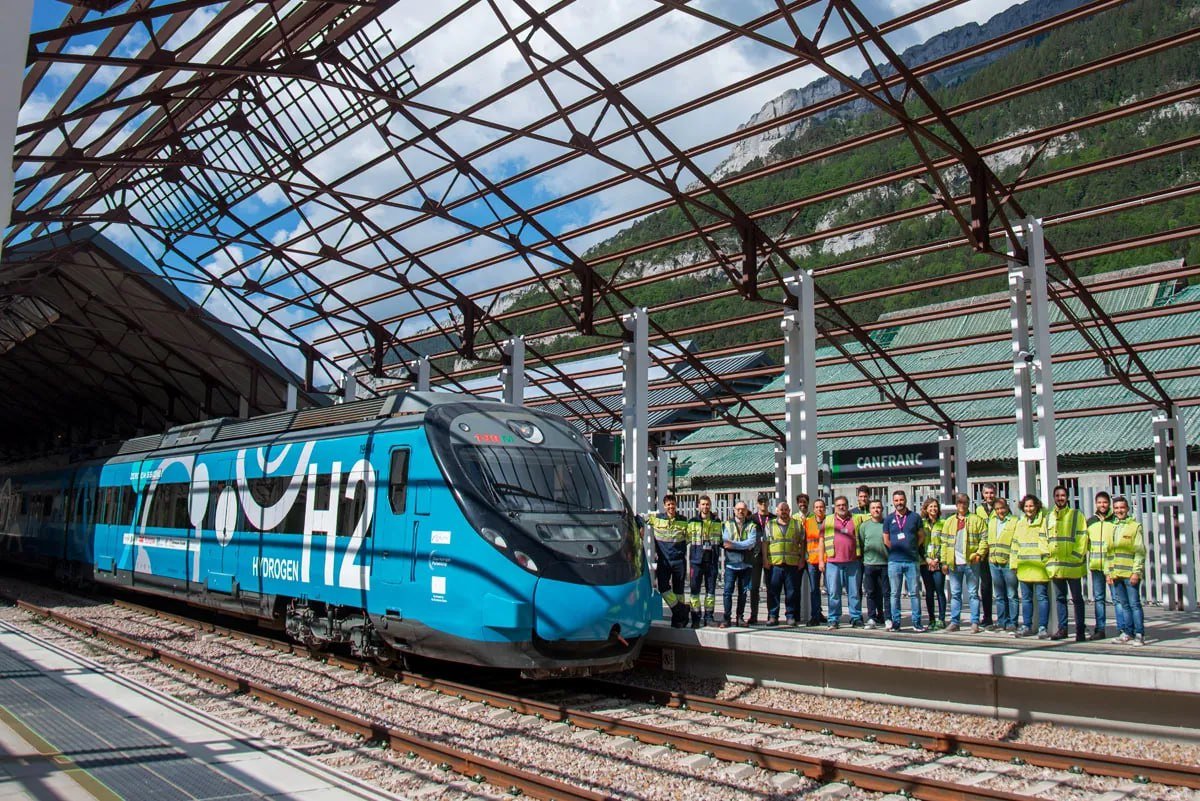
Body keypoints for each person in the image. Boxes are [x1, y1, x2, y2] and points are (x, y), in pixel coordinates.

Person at [941, 492, 988, 633]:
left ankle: (975, 622)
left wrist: (979, 553)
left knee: (973, 593)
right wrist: (944, 562)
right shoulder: (949, 521)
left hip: (971, 562)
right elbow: (944, 543)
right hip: (954, 563)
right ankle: (955, 622)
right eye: (960, 503)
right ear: (956, 505)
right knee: (955, 594)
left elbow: (985, 539)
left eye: (965, 503)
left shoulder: (976, 520)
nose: (962, 505)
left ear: (968, 504)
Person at [1046, 484, 1088, 642]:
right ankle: (1062, 629)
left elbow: (1082, 537)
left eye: (1063, 495)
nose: (1060, 498)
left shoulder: (1077, 515)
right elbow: (1044, 538)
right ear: (1054, 497)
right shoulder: (1049, 517)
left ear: (1068, 497)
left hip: (1072, 566)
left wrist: (1076, 557)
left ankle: (1080, 630)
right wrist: (1046, 558)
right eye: (1057, 496)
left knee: (1077, 599)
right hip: (1056, 566)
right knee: (1060, 598)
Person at [1106, 496, 1146, 646]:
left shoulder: (1135, 526)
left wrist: (1136, 572)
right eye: (1116, 508)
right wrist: (1108, 572)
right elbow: (1108, 552)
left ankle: (1139, 633)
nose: (1119, 511)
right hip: (1116, 574)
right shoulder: (1112, 527)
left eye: (1122, 508)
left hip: (1130, 574)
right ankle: (1127, 632)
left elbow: (1140, 552)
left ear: (1127, 509)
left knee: (1135, 604)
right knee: (1124, 605)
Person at [884, 490, 925, 632]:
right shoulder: (889, 519)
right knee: (894, 593)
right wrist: (896, 549)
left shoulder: (915, 517)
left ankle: (916, 622)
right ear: (892, 502)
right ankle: (896, 623)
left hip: (912, 560)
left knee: (914, 593)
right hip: (894, 561)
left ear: (906, 500)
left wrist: (912, 547)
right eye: (896, 500)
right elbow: (886, 539)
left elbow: (921, 536)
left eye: (901, 500)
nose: (899, 503)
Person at [647, 494, 690, 628]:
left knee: (679, 591)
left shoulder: (684, 520)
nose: (671, 507)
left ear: (676, 505)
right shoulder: (656, 519)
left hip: (679, 561)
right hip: (664, 561)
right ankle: (681, 611)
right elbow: (639, 518)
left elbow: (688, 538)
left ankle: (678, 620)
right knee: (663, 588)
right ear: (665, 506)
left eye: (673, 504)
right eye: (668, 504)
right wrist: (641, 528)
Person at [1012, 494, 1051, 638]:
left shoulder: (1044, 522)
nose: (1029, 509)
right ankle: (1027, 625)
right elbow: (1015, 544)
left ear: (1037, 507)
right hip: (1024, 567)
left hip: (1040, 567)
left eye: (1031, 506)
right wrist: (1013, 563)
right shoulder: (1021, 523)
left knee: (1042, 598)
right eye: (1026, 506)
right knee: (1026, 599)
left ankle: (1042, 627)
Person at [823, 495, 863, 629]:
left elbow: (872, 515)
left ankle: (856, 617)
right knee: (834, 592)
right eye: (839, 505)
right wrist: (821, 561)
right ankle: (833, 618)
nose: (841, 507)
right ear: (835, 507)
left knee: (854, 592)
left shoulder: (856, 519)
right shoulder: (828, 520)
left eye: (844, 504)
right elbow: (821, 540)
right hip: (833, 562)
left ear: (848, 505)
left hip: (853, 562)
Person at [1086, 492, 1121, 641]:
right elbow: (1086, 543)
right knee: (1099, 599)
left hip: (1112, 567)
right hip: (1096, 566)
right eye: (1100, 502)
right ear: (1096, 504)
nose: (1102, 505)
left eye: (1105, 502)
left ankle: (1122, 629)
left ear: (1109, 504)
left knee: (1117, 598)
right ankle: (1100, 629)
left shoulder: (1115, 521)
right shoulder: (1090, 522)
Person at [764, 501, 804, 625]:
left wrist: (802, 559)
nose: (784, 512)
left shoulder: (797, 524)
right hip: (775, 564)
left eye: (786, 509)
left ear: (790, 510)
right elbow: (765, 543)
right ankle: (773, 616)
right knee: (773, 591)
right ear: (777, 511)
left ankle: (790, 616)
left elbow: (802, 543)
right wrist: (765, 559)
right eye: (781, 509)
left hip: (792, 564)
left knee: (791, 592)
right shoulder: (769, 524)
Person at [720, 501, 759, 628]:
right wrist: (743, 546)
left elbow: (751, 543)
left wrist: (734, 545)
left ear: (747, 510)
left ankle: (740, 618)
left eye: (743, 509)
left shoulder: (752, 525)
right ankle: (727, 618)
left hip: (746, 564)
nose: (740, 511)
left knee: (743, 593)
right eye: (738, 509)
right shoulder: (727, 524)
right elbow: (725, 542)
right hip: (731, 564)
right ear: (734, 510)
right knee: (727, 592)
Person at [687, 495, 723, 628]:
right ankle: (695, 618)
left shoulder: (717, 522)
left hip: (712, 561)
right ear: (698, 506)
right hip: (696, 561)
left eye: (707, 504)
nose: (705, 507)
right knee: (694, 591)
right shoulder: (692, 522)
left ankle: (709, 617)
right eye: (703, 504)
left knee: (711, 591)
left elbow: (722, 540)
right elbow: (684, 538)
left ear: (710, 505)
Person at [986, 498, 1019, 633]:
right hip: (994, 562)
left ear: (1007, 508)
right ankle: (1001, 622)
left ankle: (1013, 622)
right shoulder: (992, 521)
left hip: (1008, 563)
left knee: (1011, 594)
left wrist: (1013, 561)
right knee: (999, 595)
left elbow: (1016, 542)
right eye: (997, 509)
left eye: (1002, 508)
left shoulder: (1014, 521)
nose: (1000, 511)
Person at [859, 500, 888, 629]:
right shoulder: (864, 526)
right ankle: (871, 617)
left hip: (885, 563)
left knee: (886, 592)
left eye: (878, 507)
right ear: (869, 510)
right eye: (873, 508)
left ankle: (886, 617)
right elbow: (861, 542)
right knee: (870, 592)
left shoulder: (887, 524)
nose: (876, 510)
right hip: (869, 564)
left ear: (882, 509)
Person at [973, 483, 999, 628]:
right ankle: (987, 617)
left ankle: (1004, 618)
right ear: (983, 494)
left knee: (1001, 586)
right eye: (987, 493)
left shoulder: (1000, 508)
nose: (989, 496)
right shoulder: (978, 510)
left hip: (998, 552)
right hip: (984, 553)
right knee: (986, 585)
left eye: (991, 493)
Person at [747, 495, 775, 625]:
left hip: (770, 555)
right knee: (754, 587)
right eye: (760, 502)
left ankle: (771, 614)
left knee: (771, 587)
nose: (763, 504)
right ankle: (754, 615)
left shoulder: (774, 518)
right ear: (757, 504)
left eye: (765, 502)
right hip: (755, 555)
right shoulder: (751, 519)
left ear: (769, 503)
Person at [919, 497, 947, 629]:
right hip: (925, 563)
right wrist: (927, 559)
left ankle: (941, 619)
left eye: (935, 506)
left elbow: (946, 543)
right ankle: (931, 619)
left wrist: (937, 559)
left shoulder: (943, 523)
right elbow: (918, 544)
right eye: (930, 506)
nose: (933, 509)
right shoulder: (921, 524)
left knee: (940, 590)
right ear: (926, 509)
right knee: (929, 592)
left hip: (938, 563)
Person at [804, 498, 831, 626]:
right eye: (817, 507)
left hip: (828, 559)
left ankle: (833, 615)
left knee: (831, 589)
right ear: (813, 509)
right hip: (812, 561)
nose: (819, 509)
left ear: (825, 508)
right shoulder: (807, 523)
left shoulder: (830, 521)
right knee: (814, 589)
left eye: (821, 507)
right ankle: (815, 615)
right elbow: (803, 541)